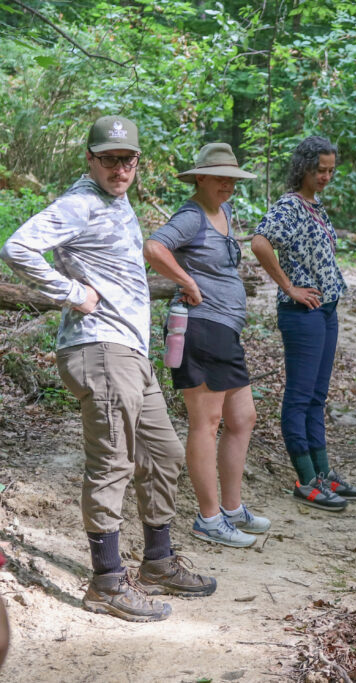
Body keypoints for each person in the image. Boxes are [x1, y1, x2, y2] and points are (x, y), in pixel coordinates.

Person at [0, 115, 216, 622]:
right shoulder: (80, 202)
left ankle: (158, 563)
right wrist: (73, 294)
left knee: (162, 455)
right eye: (110, 159)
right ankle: (107, 582)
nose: (120, 168)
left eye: (128, 159)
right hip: (99, 350)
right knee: (112, 463)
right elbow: (16, 247)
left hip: (129, 353)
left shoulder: (115, 202)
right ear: (91, 159)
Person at [143, 143, 270, 548]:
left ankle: (231, 509)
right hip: (200, 329)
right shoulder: (191, 215)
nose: (228, 186)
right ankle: (209, 518)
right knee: (207, 423)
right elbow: (154, 247)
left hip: (224, 331)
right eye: (220, 178)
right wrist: (186, 281)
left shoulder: (225, 211)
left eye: (232, 179)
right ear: (200, 177)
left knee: (243, 418)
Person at [251, 135, 356, 511]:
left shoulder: (315, 205)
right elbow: (260, 242)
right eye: (320, 170)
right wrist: (289, 286)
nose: (326, 177)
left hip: (327, 308)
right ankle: (305, 480)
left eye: (331, 170)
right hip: (302, 313)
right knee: (299, 398)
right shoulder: (290, 205)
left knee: (317, 397)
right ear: (303, 167)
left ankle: (323, 472)